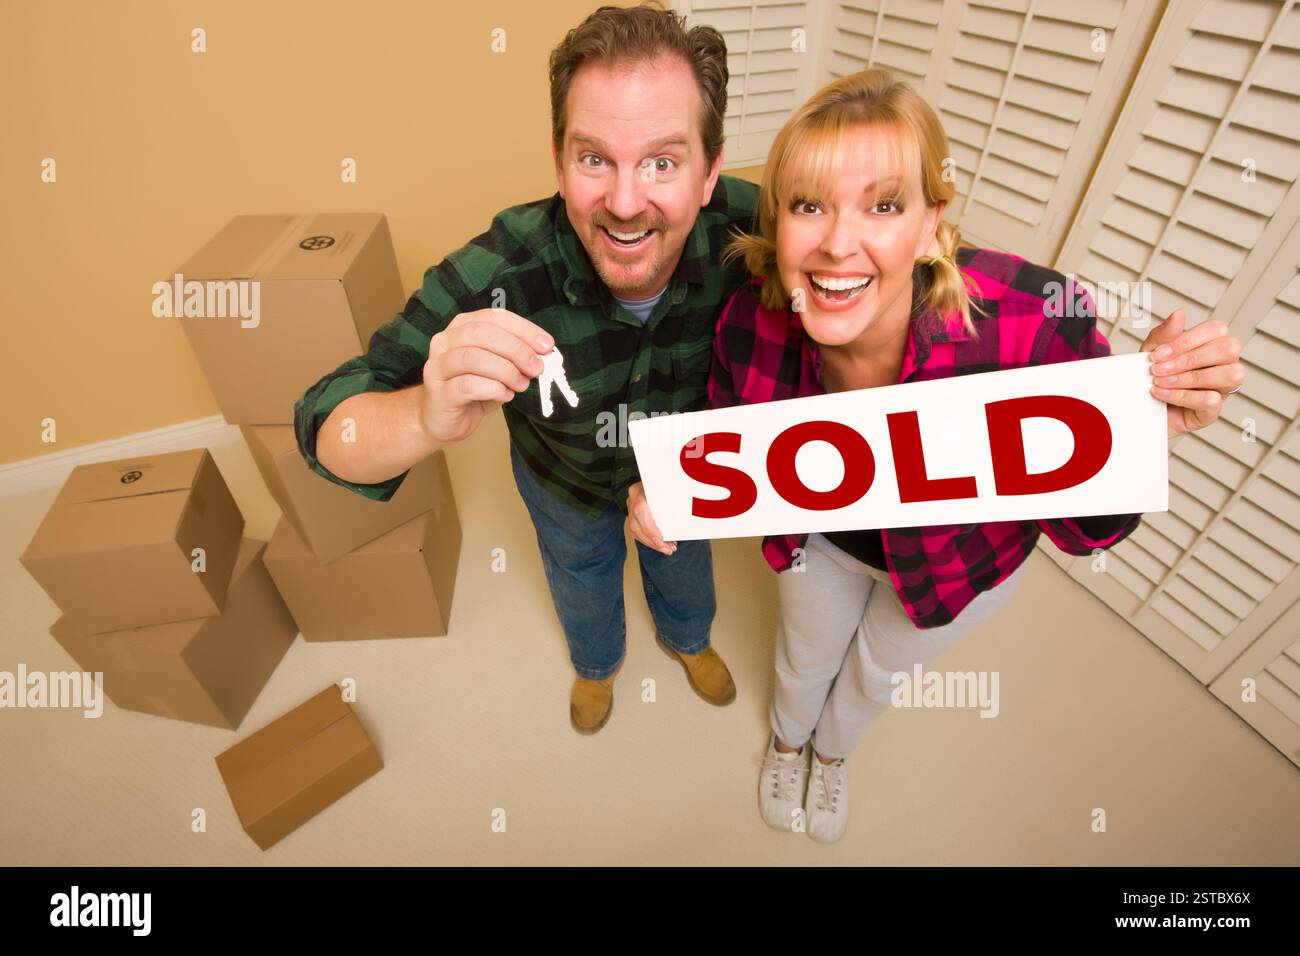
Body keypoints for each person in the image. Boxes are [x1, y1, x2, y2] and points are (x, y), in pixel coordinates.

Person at [629, 68, 1246, 843]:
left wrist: (1144, 428)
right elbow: (724, 448)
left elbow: (1086, 534)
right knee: (803, 659)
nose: (838, 243)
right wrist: (670, 494)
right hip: (820, 545)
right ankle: (787, 744)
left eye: (882, 206)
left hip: (957, 562)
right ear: (777, 222)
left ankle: (833, 753)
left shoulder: (1033, 325)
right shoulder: (751, 324)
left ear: (930, 224)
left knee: (877, 672)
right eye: (808, 205)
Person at [292, 4, 758, 733]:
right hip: (562, 486)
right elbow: (326, 422)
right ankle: (596, 668)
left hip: (690, 480)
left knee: (685, 564)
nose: (625, 203)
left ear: (709, 172)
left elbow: (895, 276)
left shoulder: (759, 233)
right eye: (594, 158)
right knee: (581, 581)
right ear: (559, 160)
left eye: (663, 161)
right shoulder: (503, 268)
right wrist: (421, 413)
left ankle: (688, 640)